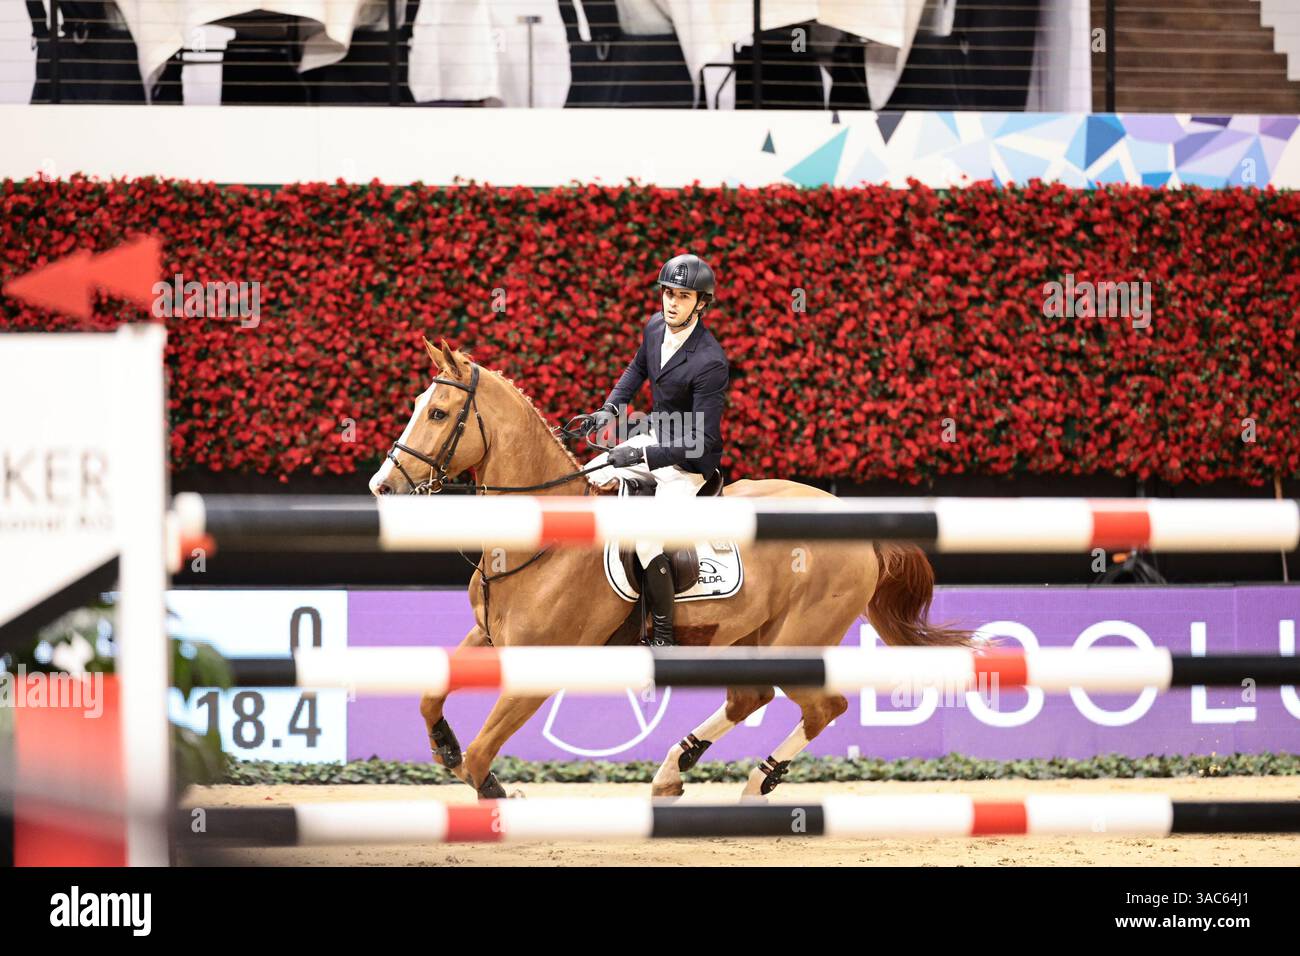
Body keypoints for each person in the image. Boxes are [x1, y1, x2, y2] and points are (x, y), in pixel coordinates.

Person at [583, 253, 729, 646]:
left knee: (647, 538)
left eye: (683, 296)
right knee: (591, 473)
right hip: (656, 433)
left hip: (689, 463)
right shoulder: (654, 328)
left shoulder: (710, 361)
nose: (671, 303)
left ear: (701, 303)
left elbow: (701, 440)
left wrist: (641, 456)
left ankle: (662, 635)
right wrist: (610, 408)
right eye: (667, 293)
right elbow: (636, 369)